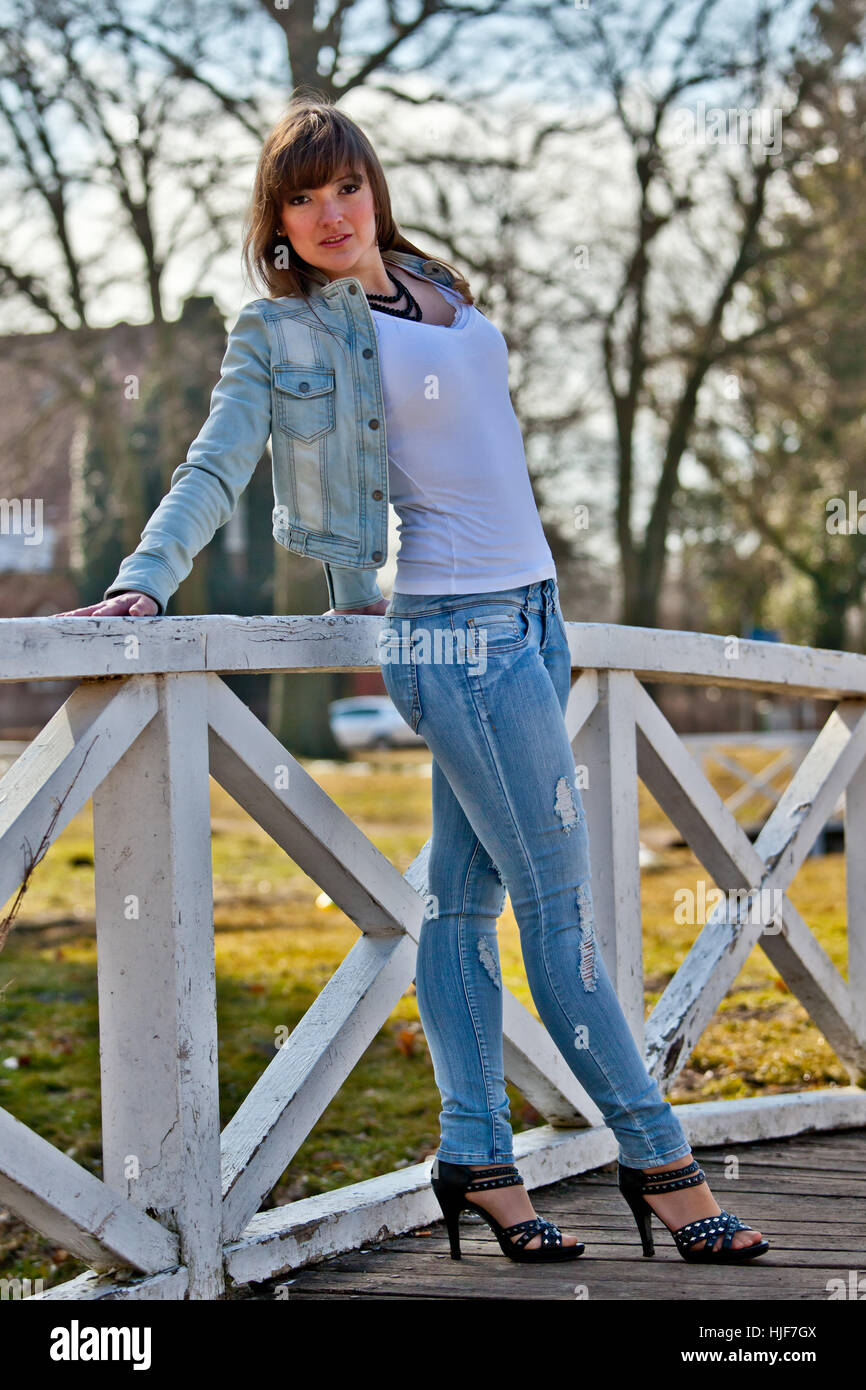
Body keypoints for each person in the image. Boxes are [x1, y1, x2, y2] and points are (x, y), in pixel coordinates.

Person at [54, 97, 768, 1267]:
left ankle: (476, 1158)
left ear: (374, 189)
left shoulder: (439, 286)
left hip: (534, 617)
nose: (331, 214)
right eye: (302, 198)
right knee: (559, 909)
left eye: (346, 187)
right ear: (276, 222)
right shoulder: (282, 334)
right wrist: (145, 579)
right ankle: (663, 1164)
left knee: (458, 905)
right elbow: (215, 461)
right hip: (454, 632)